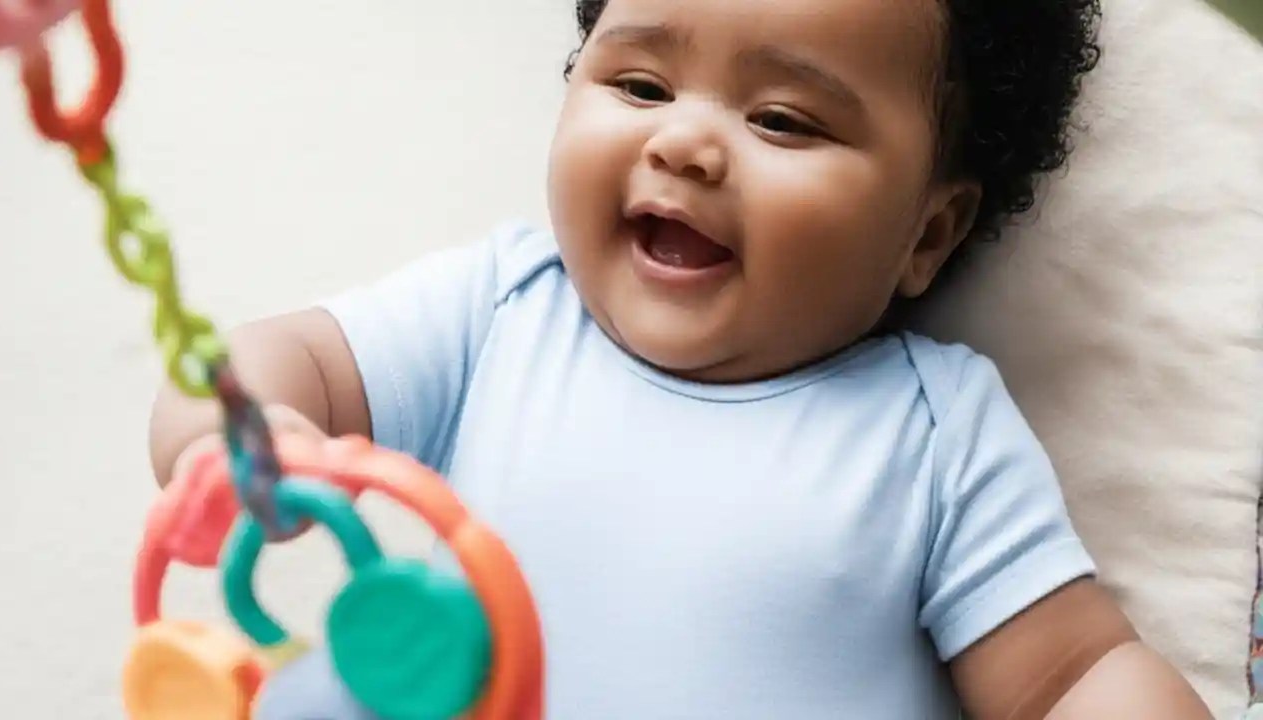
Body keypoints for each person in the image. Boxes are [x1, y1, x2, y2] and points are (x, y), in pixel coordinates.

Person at [150, 0, 1213, 717]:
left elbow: (1068, 676)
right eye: (641, 87)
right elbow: (282, 358)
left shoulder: (929, 431)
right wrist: (245, 435)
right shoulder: (503, 311)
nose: (684, 145)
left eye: (782, 120)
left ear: (926, 235)